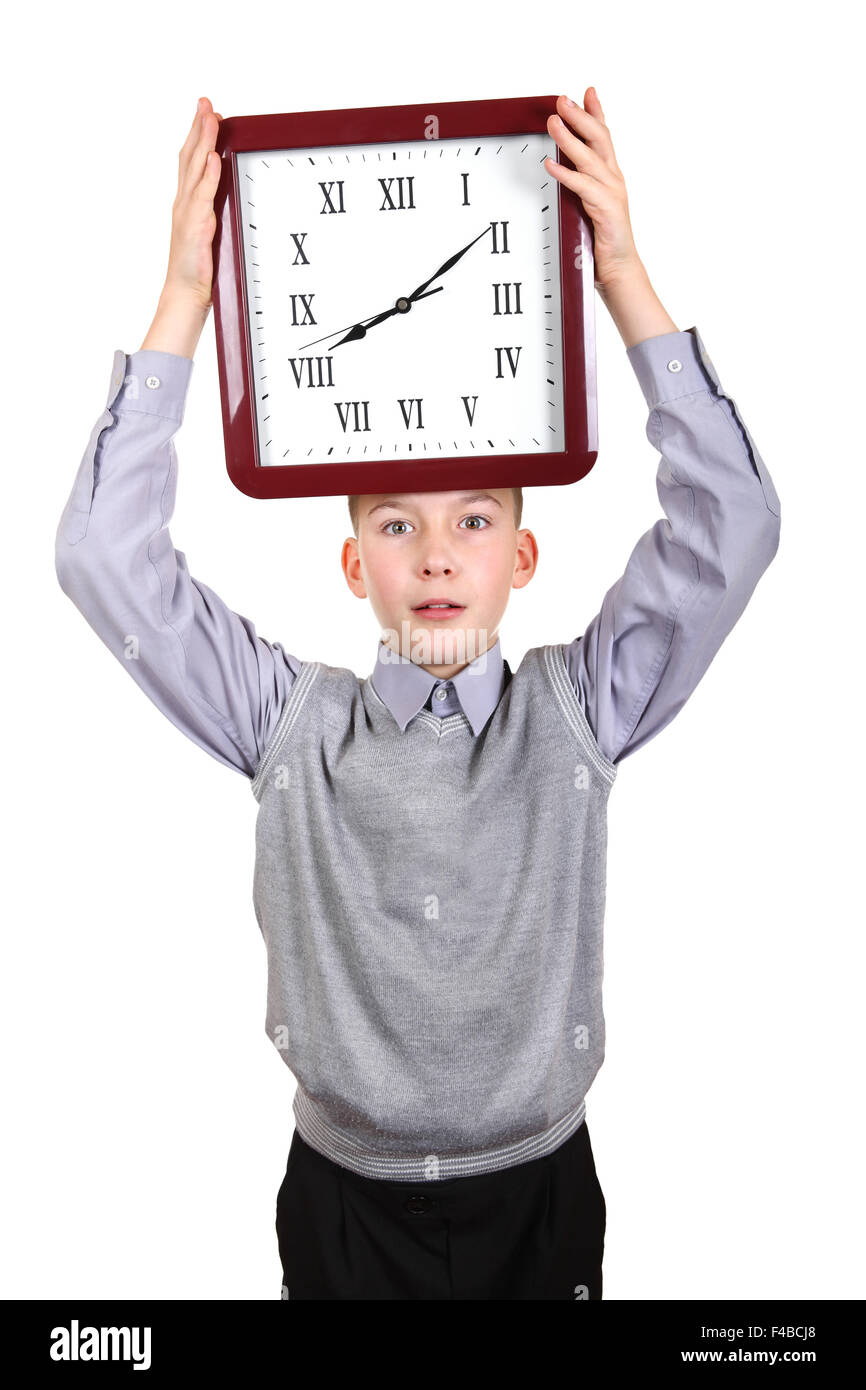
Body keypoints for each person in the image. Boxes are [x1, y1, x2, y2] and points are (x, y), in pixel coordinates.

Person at [54, 90, 781, 1300]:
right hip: (344, 1208)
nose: (436, 555)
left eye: (473, 522)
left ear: (520, 556)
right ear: (353, 563)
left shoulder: (579, 709)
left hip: (538, 1195)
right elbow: (101, 560)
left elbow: (734, 524)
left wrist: (623, 280)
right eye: (397, 524)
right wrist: (186, 297)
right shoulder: (286, 719)